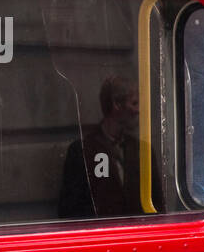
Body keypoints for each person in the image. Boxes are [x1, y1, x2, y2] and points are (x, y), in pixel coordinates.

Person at [59, 76, 164, 218]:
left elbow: (158, 206)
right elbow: (70, 209)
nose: (139, 110)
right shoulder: (82, 151)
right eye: (134, 103)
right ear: (117, 104)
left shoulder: (142, 150)